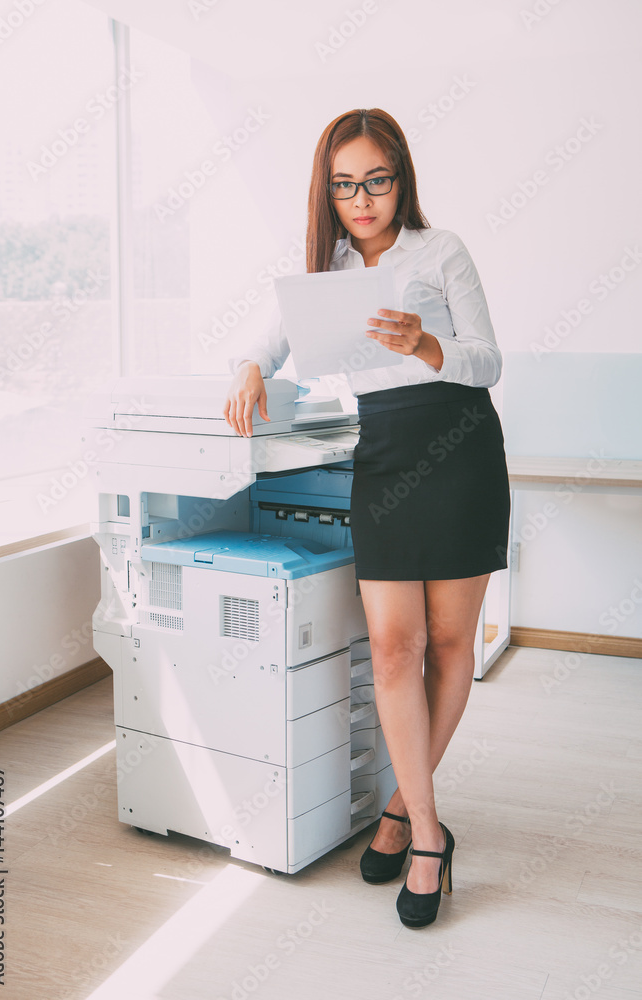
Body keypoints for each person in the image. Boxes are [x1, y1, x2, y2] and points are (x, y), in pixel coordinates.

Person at [223, 108, 510, 928]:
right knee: (393, 647)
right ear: (329, 191)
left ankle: (396, 812)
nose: (361, 198)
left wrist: (426, 346)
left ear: (400, 179)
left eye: (375, 180)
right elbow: (265, 341)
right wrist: (247, 367)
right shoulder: (329, 274)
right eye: (344, 184)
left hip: (457, 446)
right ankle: (428, 829)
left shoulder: (440, 251)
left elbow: (488, 359)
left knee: (450, 646)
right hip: (383, 458)